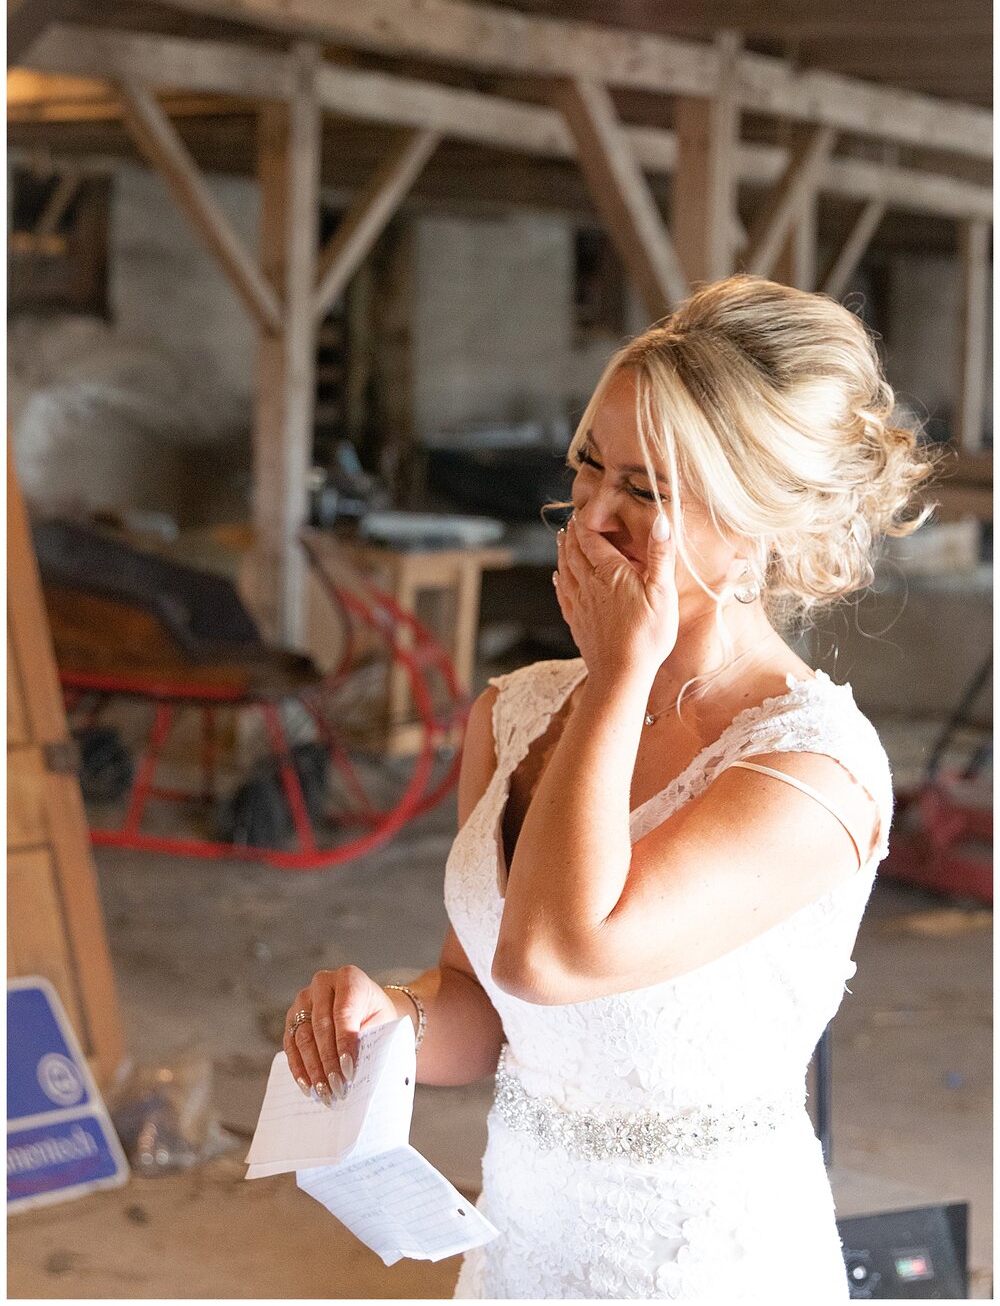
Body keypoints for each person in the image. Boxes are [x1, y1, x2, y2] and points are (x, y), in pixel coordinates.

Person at [283, 276, 935, 1300]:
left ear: (759, 517)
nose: (590, 518)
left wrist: (621, 672)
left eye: (646, 490)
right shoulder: (516, 712)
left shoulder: (815, 769)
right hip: (519, 1245)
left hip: (706, 1263)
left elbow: (554, 954)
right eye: (586, 470)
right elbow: (488, 1004)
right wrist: (388, 1018)